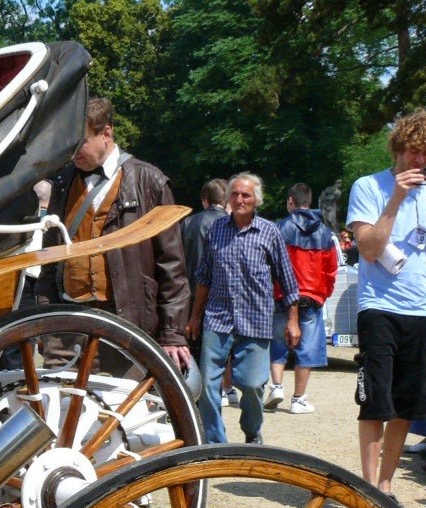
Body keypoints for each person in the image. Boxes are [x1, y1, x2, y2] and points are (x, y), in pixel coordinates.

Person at [345, 109, 426, 498]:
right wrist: (395, 196)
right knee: (376, 399)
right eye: (414, 151)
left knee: (407, 403)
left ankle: (385, 484)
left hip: (422, 308)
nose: (420, 160)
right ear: (398, 148)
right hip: (378, 305)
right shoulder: (368, 186)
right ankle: (366, 486)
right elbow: (369, 247)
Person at [38, 97, 193, 373]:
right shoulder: (62, 183)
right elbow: (49, 260)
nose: (74, 153)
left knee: (119, 411)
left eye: (81, 143)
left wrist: (172, 333)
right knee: (59, 409)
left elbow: (171, 266)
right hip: (65, 326)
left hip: (125, 323)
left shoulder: (149, 182)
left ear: (106, 134)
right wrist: (43, 320)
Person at [185, 173, 300, 444]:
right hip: (218, 318)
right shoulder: (216, 230)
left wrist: (293, 320)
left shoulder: (269, 232)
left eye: (245, 195)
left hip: (255, 320)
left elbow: (288, 279)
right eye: (234, 194)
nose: (239, 199)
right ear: (227, 198)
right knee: (208, 385)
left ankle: (252, 432)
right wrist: (195, 317)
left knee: (251, 385)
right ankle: (215, 442)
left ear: (256, 200)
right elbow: (204, 277)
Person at [268, 182, 340, 414]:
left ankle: (276, 387)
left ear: (291, 201)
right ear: (309, 202)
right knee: (306, 349)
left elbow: (271, 264)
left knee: (278, 342)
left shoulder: (281, 228)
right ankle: (298, 399)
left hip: (282, 295)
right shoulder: (326, 232)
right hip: (312, 296)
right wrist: (324, 293)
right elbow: (331, 268)